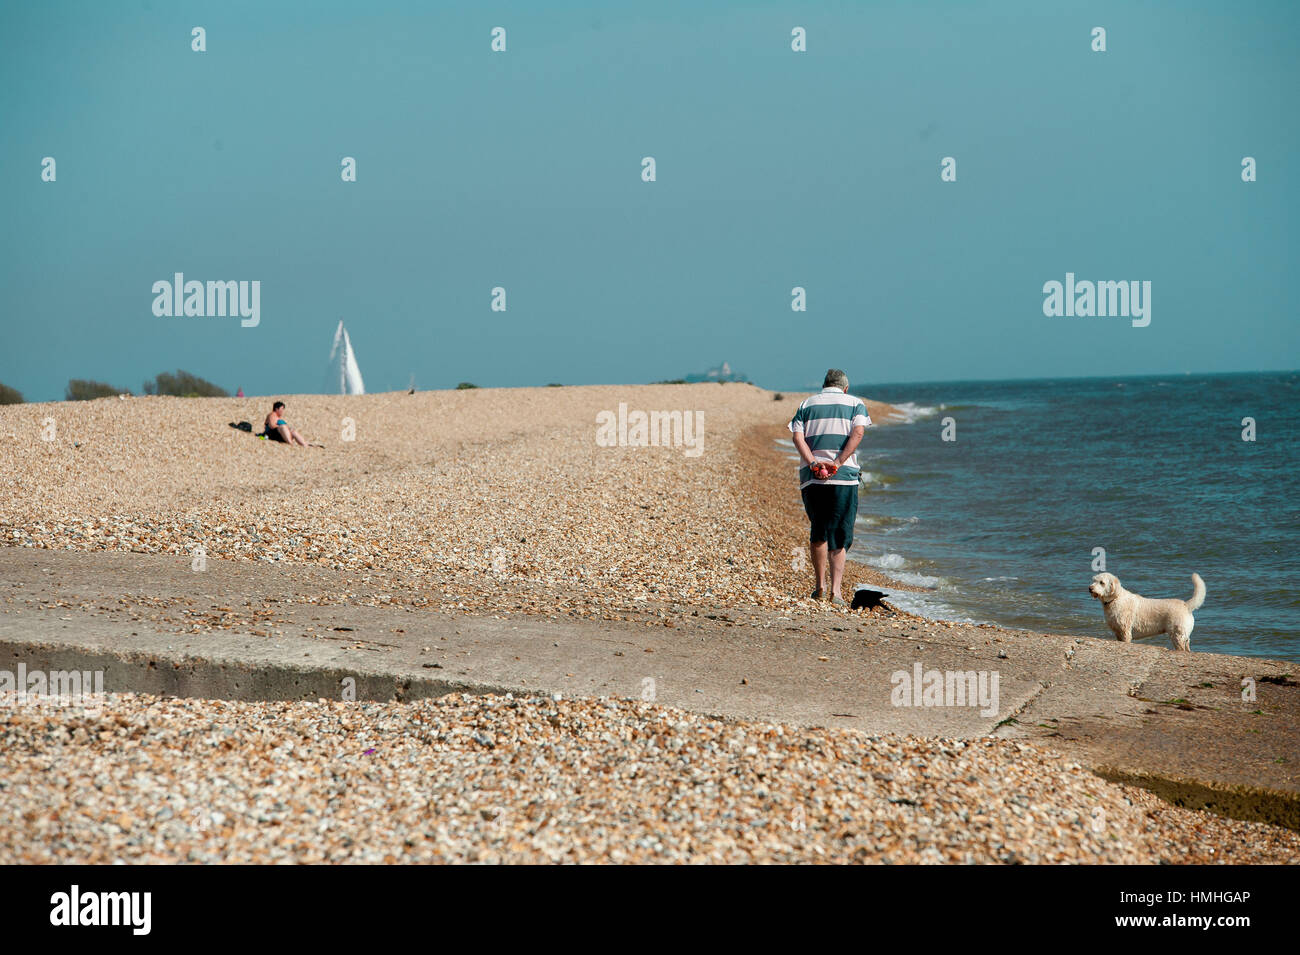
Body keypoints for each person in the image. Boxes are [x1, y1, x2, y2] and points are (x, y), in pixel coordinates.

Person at [788, 369, 871, 605]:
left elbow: (797, 436)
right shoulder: (856, 403)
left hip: (812, 478)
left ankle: (819, 587)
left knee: (819, 529)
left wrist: (814, 463)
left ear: (824, 385)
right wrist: (837, 463)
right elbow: (858, 432)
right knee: (841, 532)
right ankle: (836, 591)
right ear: (845, 388)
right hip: (843, 477)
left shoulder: (806, 404)